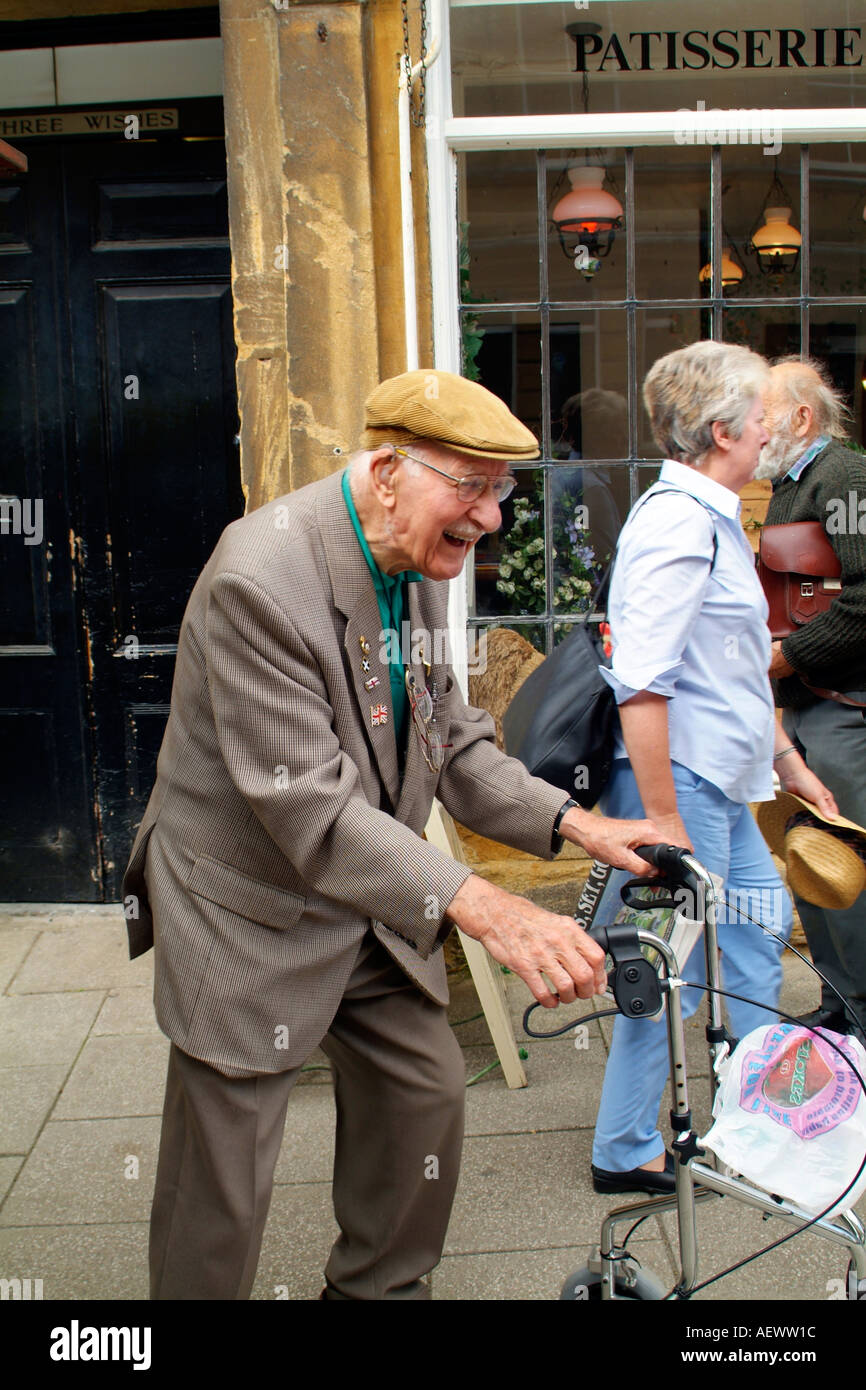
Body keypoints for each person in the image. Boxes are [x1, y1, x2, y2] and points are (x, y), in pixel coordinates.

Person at [123, 368, 664, 1299]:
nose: (491, 518)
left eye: (500, 492)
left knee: (423, 1091)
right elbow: (312, 809)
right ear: (386, 471)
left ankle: (377, 1292)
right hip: (248, 905)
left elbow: (448, 739)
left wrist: (579, 823)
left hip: (367, 891)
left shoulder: (413, 565)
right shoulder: (260, 577)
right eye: (472, 486)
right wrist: (492, 911)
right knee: (224, 1175)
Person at [587, 340, 837, 1196]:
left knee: (756, 944)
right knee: (667, 974)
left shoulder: (716, 516)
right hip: (683, 788)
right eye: (761, 411)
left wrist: (789, 762)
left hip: (722, 786)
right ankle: (625, 1149)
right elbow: (641, 683)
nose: (772, 424)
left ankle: (755, 1130)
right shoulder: (675, 524)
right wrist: (662, 821)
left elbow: (732, 665)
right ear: (725, 429)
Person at [758, 356, 866, 1035]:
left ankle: (859, 1019)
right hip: (809, 705)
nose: (750, 427)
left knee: (845, 868)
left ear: (803, 417)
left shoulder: (846, 474)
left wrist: (786, 655)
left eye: (762, 413)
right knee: (814, 869)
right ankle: (839, 1008)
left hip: (845, 708)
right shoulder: (793, 480)